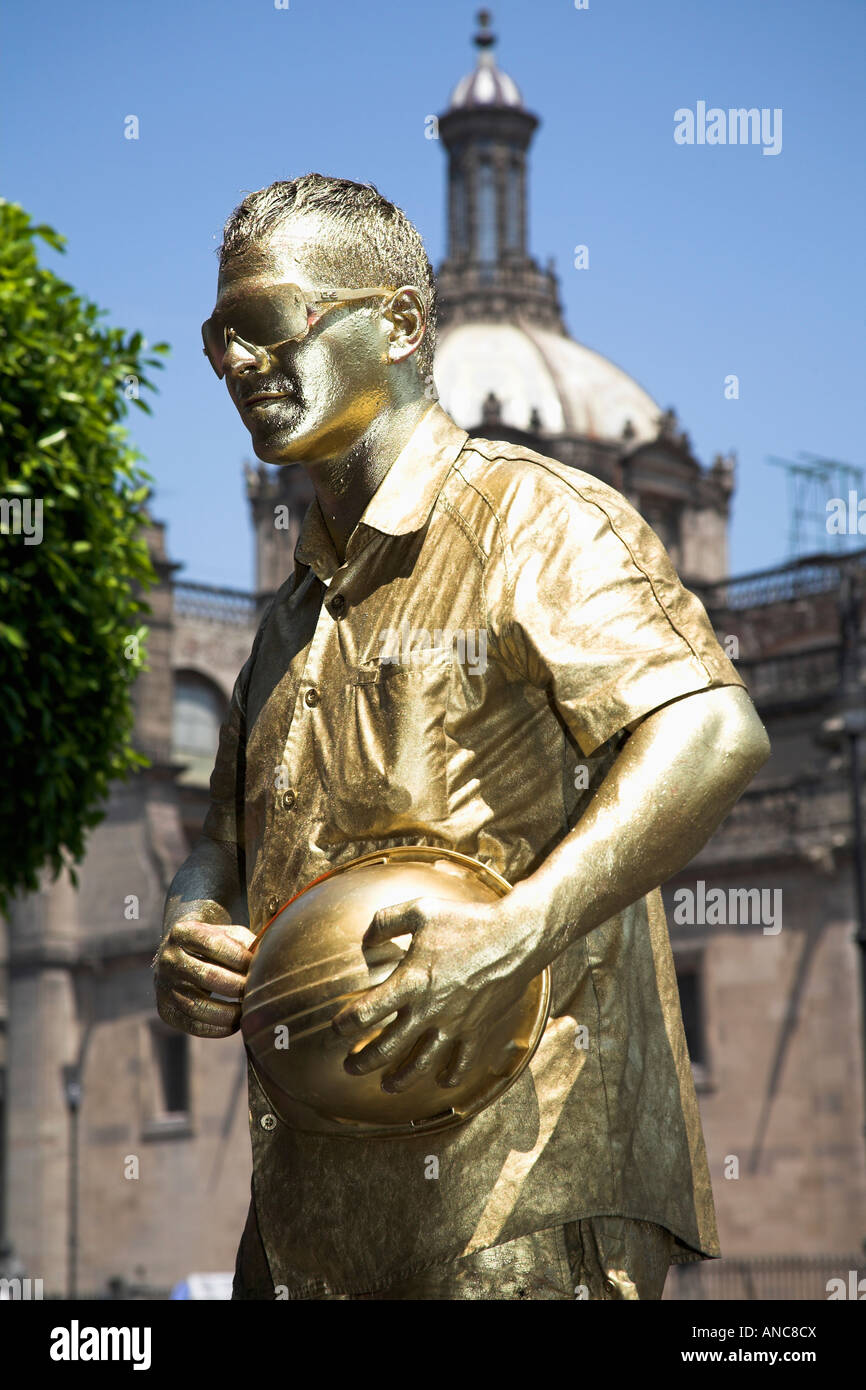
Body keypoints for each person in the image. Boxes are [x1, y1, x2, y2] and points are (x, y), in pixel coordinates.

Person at [154, 174, 770, 1301]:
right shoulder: (287, 619)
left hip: (520, 1195)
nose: (239, 363)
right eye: (218, 337)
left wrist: (511, 932)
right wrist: (192, 918)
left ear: (395, 324)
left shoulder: (533, 519)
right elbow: (218, 845)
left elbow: (711, 727)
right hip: (307, 1217)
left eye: (268, 324)